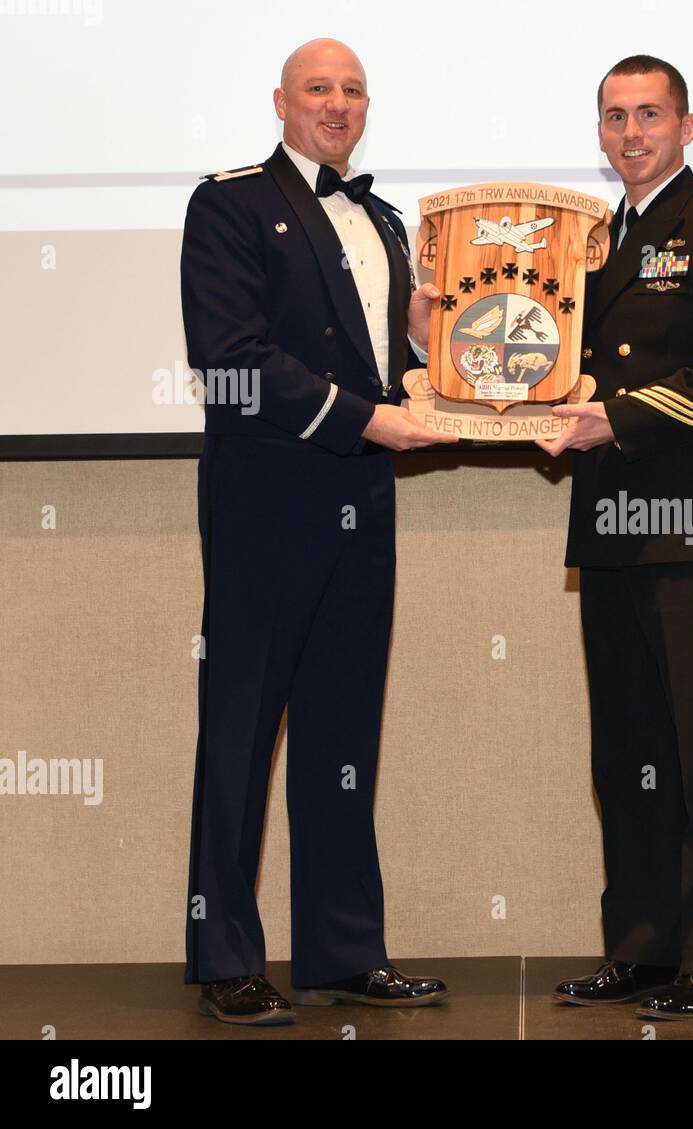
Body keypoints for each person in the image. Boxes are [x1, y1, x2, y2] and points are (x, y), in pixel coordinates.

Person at [179, 38, 456, 1025]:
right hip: (266, 502)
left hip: (363, 505)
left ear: (365, 106)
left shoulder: (381, 218)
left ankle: (341, 950)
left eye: (350, 90)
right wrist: (371, 417)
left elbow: (388, 356)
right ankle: (225, 959)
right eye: (317, 89)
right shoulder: (230, 202)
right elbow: (231, 361)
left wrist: (436, 343)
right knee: (241, 730)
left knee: (344, 731)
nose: (335, 105)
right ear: (281, 102)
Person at [538, 55, 693, 1020]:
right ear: (599, 133)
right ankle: (643, 946)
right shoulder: (591, 241)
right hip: (610, 527)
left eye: (650, 114)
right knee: (629, 749)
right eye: (614, 117)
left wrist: (624, 418)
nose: (631, 131)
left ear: (687, 126)